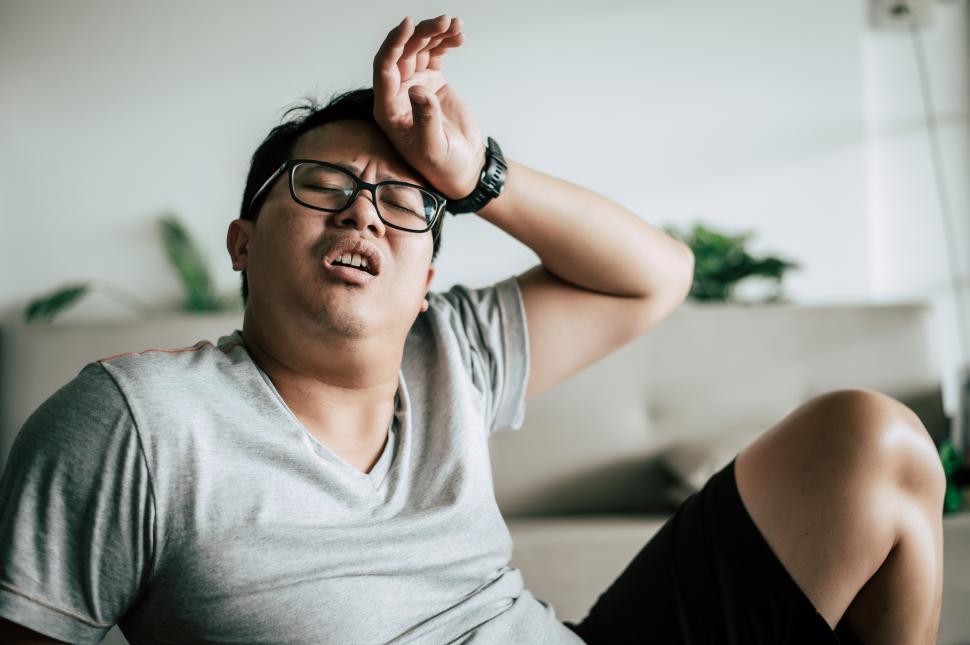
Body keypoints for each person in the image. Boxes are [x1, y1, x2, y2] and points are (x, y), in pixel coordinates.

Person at [0, 13, 946, 645]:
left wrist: (475, 172)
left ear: (426, 284)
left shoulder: (446, 352)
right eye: (323, 186)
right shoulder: (137, 421)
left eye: (402, 202)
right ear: (243, 242)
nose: (362, 214)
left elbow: (659, 276)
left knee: (874, 441)